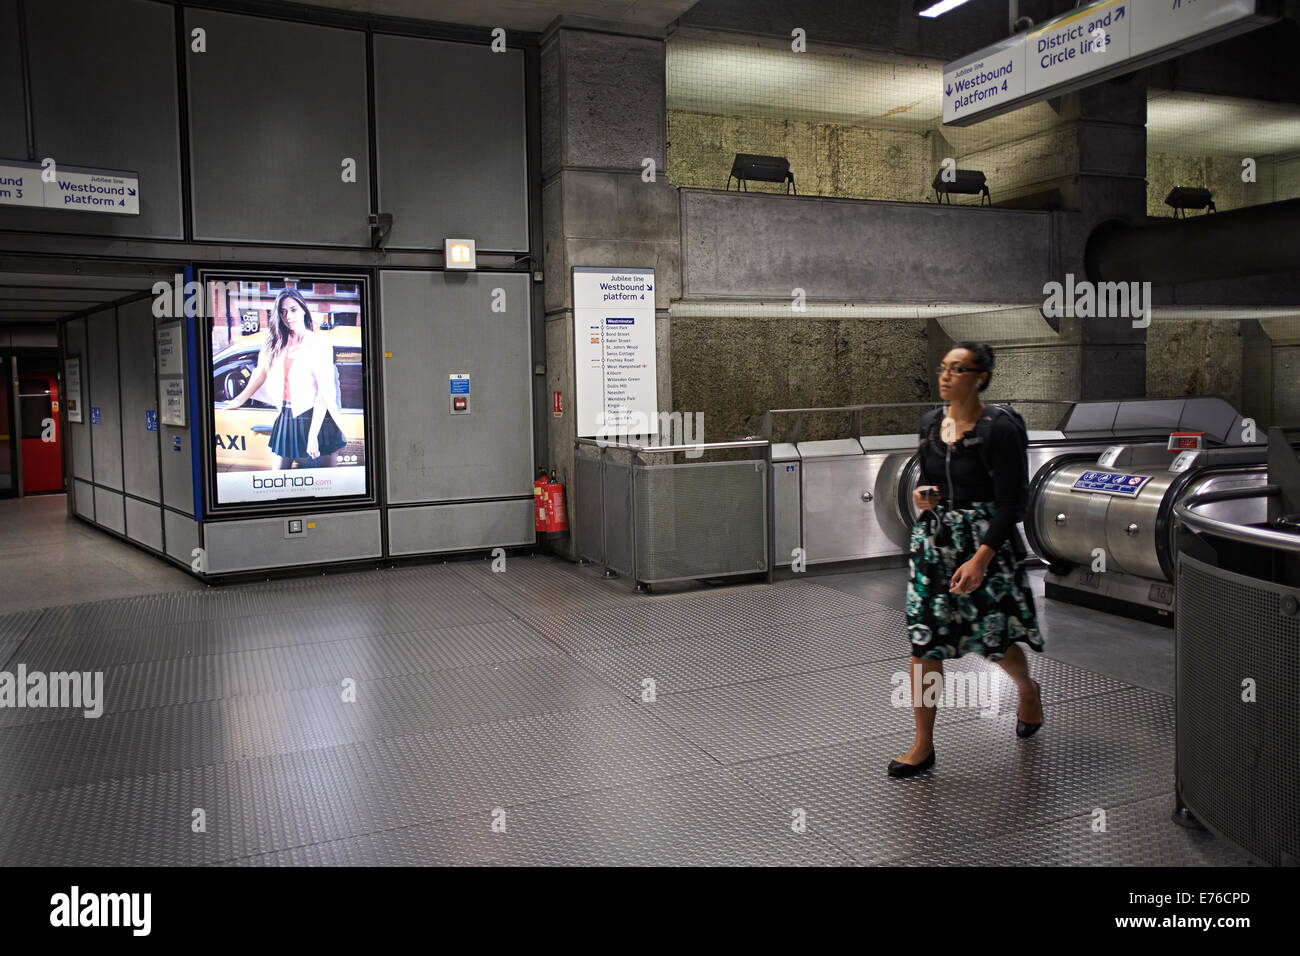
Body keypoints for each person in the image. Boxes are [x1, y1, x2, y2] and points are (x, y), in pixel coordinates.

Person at [888, 342, 1045, 778]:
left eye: (958, 369)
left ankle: (1027, 690)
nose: (946, 376)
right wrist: (925, 496)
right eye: (944, 367)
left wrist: (980, 560)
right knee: (924, 641)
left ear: (982, 378)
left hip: (985, 543)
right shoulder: (930, 424)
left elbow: (1012, 503)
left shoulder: (1001, 429)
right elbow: (932, 482)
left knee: (992, 637)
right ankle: (923, 744)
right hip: (935, 545)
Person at [224, 288, 346, 469]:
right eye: (283, 312)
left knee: (325, 484)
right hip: (287, 415)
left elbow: (324, 391)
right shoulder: (275, 340)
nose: (288, 316)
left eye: (293, 309)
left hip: (318, 418)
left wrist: (313, 436)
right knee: (279, 480)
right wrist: (240, 399)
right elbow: (260, 372)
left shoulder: (319, 342)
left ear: (304, 309)